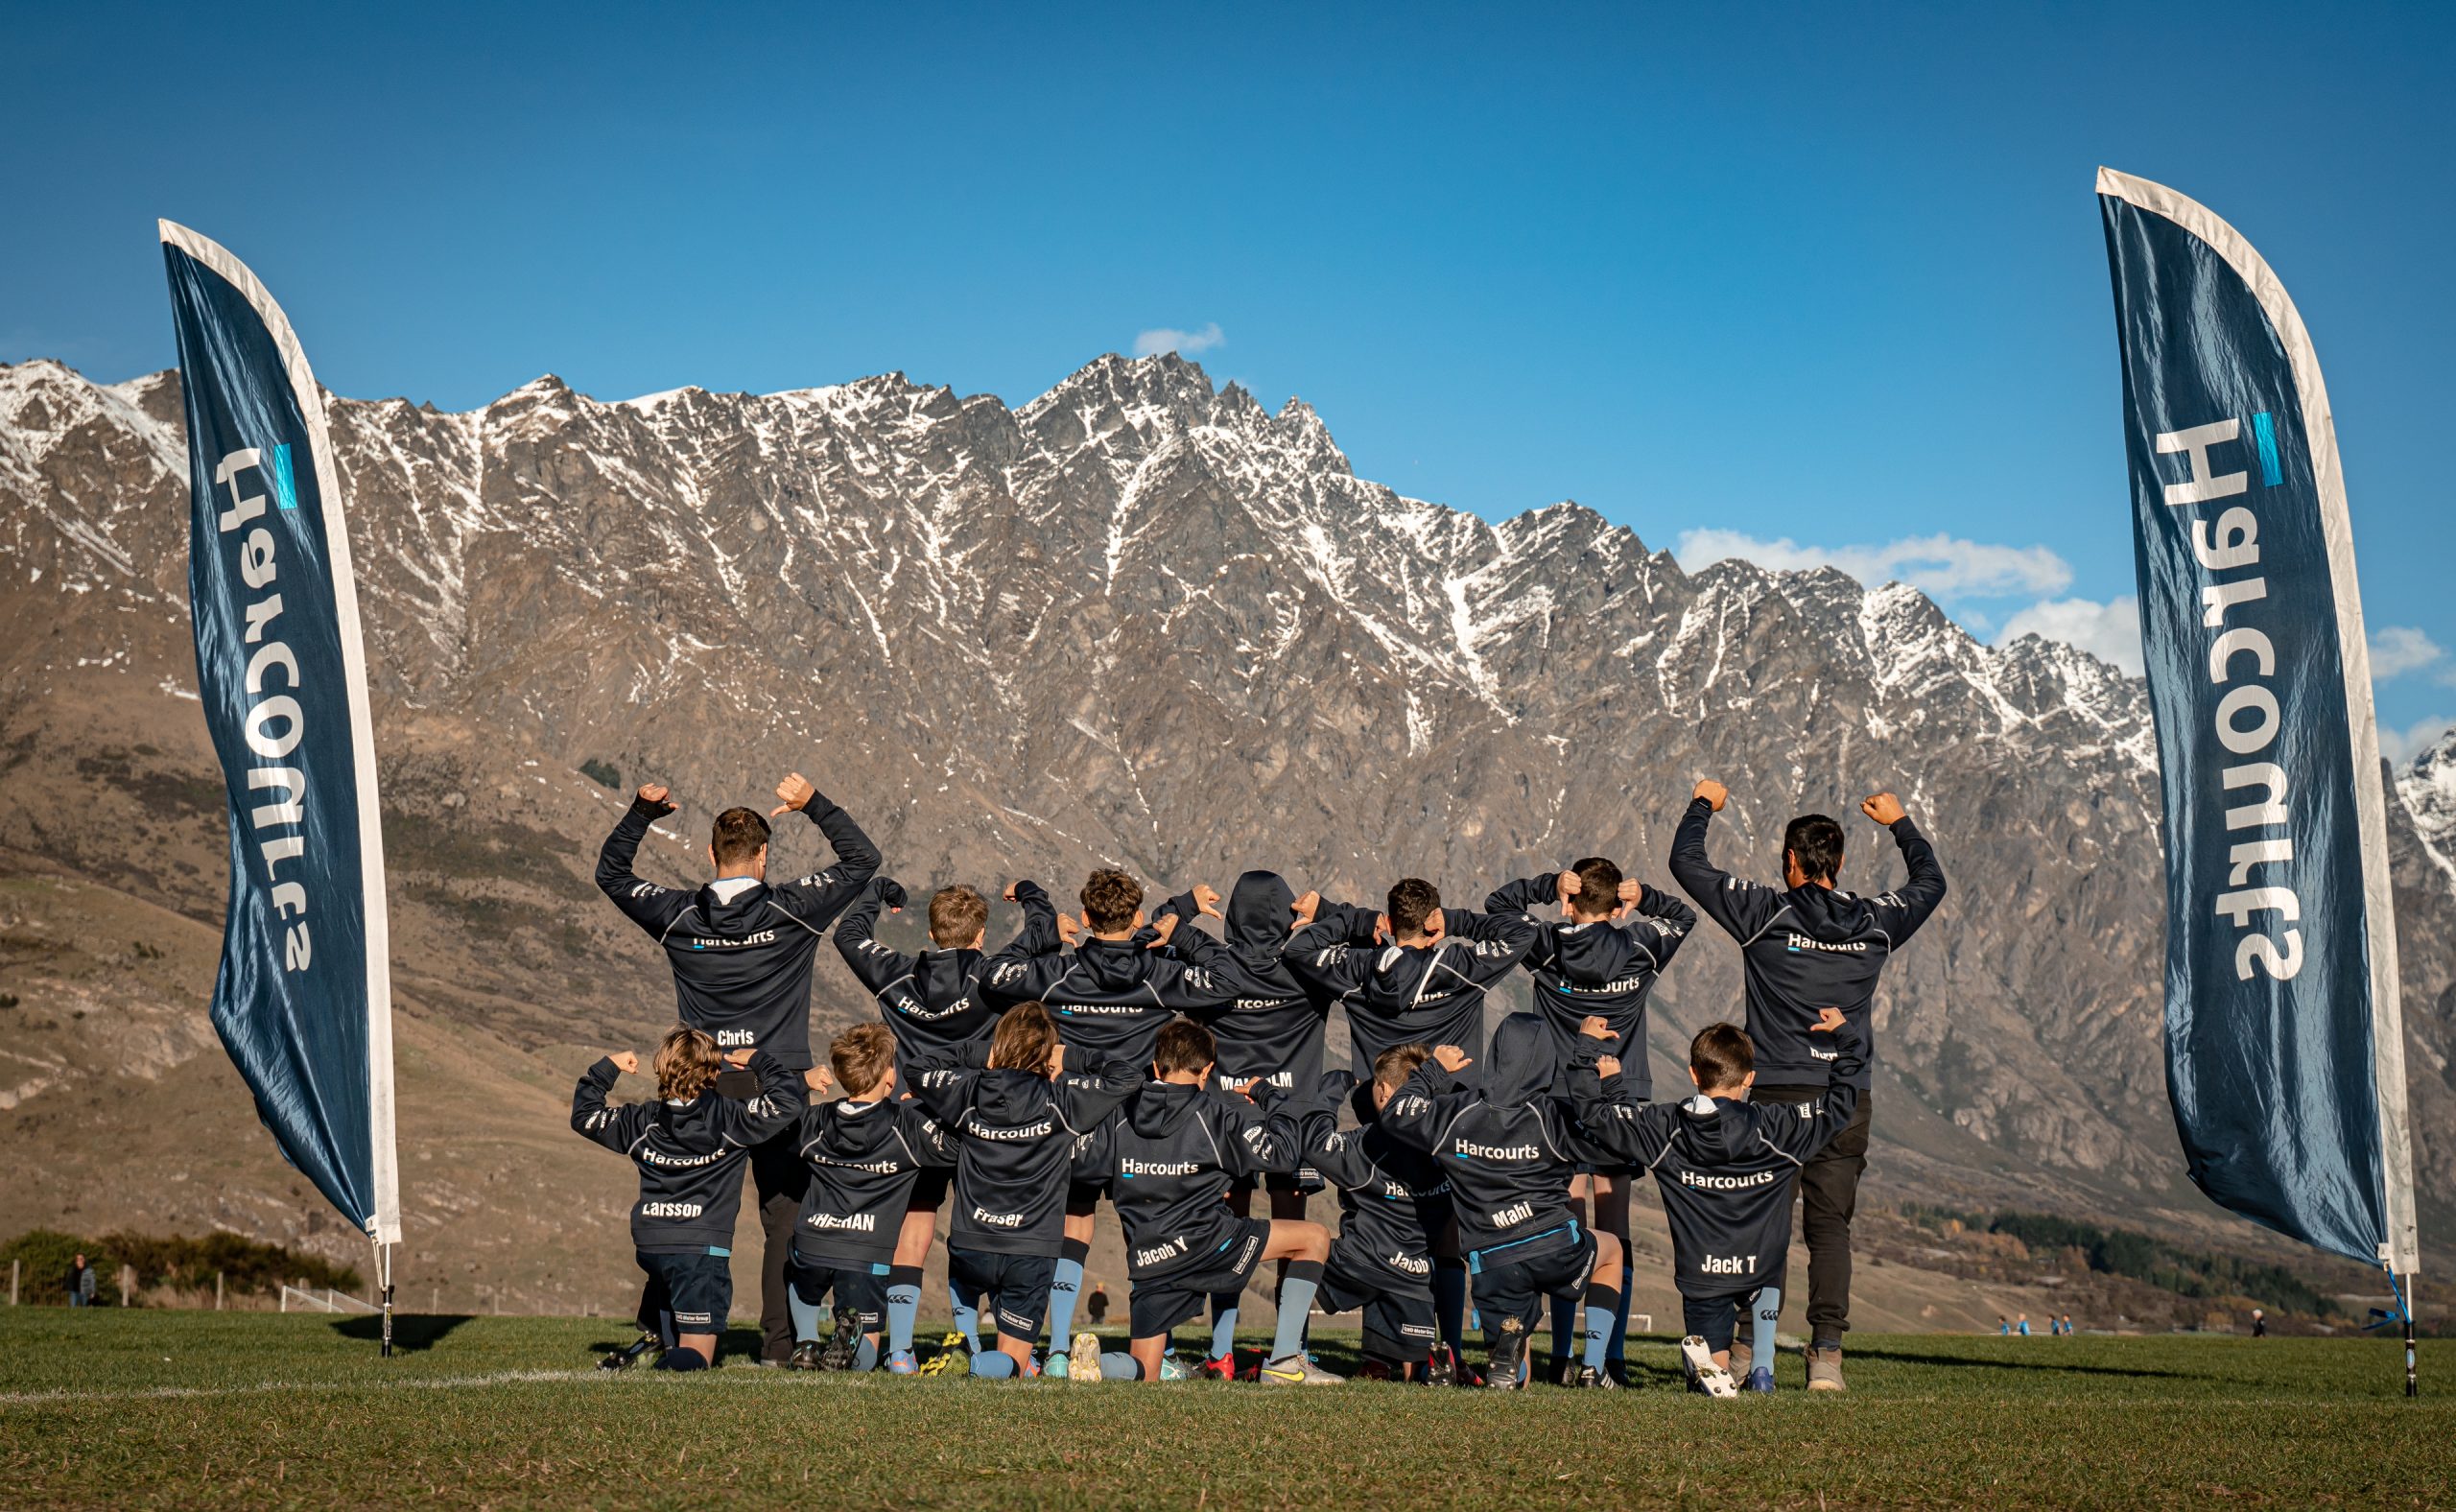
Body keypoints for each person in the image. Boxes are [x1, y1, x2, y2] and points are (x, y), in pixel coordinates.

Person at [1668, 780, 1946, 1392]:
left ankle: (1745, 1351)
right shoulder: (1874, 922)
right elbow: (1931, 884)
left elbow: (1686, 863)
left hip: (1775, 1102)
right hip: (1847, 1097)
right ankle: (1826, 1360)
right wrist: (1900, 822)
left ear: (1790, 862)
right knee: (1831, 1232)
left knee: (1764, 1225)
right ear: (1840, 863)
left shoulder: (1766, 913)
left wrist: (1704, 805)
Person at [595, 772, 882, 1365]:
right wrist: (813, 805)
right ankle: (781, 1346)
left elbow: (612, 876)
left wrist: (641, 814)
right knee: (783, 1218)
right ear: (763, 854)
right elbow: (862, 860)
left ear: (709, 855)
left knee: (690, 1206)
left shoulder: (679, 915)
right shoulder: (793, 909)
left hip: (702, 1087)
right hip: (781, 1086)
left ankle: (668, 1332)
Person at [982, 870, 1241, 1378]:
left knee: (1071, 1227)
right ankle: (1157, 1356)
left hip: (1073, 1123)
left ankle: (1058, 1351)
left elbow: (994, 974)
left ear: (1084, 919)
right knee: (1145, 1236)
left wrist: (1043, 933)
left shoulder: (1060, 973)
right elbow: (1228, 979)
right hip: (1142, 1127)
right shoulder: (1160, 975)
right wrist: (1183, 928)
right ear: (1139, 919)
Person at [1566, 1015, 1866, 1397]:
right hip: (1760, 1270)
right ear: (1749, 1079)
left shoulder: (1667, 1127)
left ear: (1693, 1074)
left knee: (1710, 1375)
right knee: (1769, 1260)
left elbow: (1596, 1116)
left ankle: (1715, 1367)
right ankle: (1761, 1363)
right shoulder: (1778, 1127)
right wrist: (1846, 1040)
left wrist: (1587, 1052)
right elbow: (1840, 1105)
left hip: (1702, 1276)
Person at [1146, 872, 1368, 1375]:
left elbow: (1152, 928)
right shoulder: (1306, 966)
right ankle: (1293, 1348)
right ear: (1285, 914)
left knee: (1228, 1233)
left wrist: (1184, 905)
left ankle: (1220, 1351)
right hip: (1295, 1123)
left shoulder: (1215, 965)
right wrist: (1323, 909)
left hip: (1224, 1121)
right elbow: (1365, 933)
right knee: (1294, 1233)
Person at [1485, 857, 1695, 1382]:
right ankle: (1607, 1358)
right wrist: (1644, 898)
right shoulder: (1639, 948)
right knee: (1615, 1235)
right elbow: (1683, 917)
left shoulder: (1549, 944)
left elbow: (1498, 906)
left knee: (1563, 1230)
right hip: (1617, 1099)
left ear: (1570, 899)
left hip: (1557, 1102)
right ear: (1616, 903)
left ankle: (1559, 1355)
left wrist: (1543, 887)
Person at [833, 876, 1056, 1370]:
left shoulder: (895, 973)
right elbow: (1044, 935)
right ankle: (983, 1347)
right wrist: (1031, 894)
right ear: (979, 936)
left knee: (913, 1230)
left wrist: (881, 893)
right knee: (986, 1229)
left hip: (913, 1121)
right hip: (984, 1117)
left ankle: (900, 1352)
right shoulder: (992, 974)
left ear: (932, 934)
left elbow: (848, 937)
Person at [1074, 1017, 1335, 1384]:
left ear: (1155, 1066)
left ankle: (1099, 1365)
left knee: (1144, 1371)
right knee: (1315, 1238)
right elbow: (1283, 1154)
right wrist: (1269, 1096)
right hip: (1210, 1245)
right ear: (1207, 1070)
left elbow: (1081, 1162)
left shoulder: (1120, 1116)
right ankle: (1286, 1361)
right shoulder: (1214, 1116)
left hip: (1151, 1261)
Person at [1376, 1014, 1623, 1390]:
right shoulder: (1553, 1116)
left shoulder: (1454, 1113)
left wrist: (1433, 1071)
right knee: (1613, 1251)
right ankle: (1593, 1365)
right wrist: (1598, 1069)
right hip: (1552, 1246)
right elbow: (1611, 1129)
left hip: (1491, 1260)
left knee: (1512, 1365)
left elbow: (1394, 1113)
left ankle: (1512, 1362)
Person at [909, 1001, 1138, 1379]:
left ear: (1000, 1044)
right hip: (1029, 1253)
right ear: (1046, 1052)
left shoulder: (969, 1092)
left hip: (971, 1243)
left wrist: (986, 1053)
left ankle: (966, 1345)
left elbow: (917, 1068)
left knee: (1001, 1330)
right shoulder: (1062, 1102)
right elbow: (1127, 1077)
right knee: (1012, 1363)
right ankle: (977, 1364)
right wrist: (1072, 1057)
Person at [571, 1026, 804, 1370]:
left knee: (672, 1316)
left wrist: (608, 1066)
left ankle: (651, 1340)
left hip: (651, 1244)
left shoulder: (641, 1121)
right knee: (695, 1360)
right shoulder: (733, 1117)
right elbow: (787, 1101)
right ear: (713, 1072)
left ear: (662, 1069)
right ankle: (666, 1359)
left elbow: (585, 1116)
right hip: (700, 1251)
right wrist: (757, 1059)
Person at [783, 1023, 955, 1373]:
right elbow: (954, 1146)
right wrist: (932, 1102)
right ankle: (850, 1338)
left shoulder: (815, 1121)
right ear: (890, 1078)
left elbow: (777, 1119)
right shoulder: (906, 1126)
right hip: (866, 1254)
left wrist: (799, 1082)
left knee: (799, 1274)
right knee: (864, 1361)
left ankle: (805, 1341)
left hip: (813, 1242)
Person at [1287, 1045, 1456, 1383]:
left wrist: (1332, 1088)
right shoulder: (1444, 1143)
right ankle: (1419, 1366)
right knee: (1416, 1365)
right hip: (1415, 1276)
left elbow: (1316, 1144)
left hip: (1360, 1262)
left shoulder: (1369, 1143)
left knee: (1296, 1278)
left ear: (1382, 1091)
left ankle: (1290, 1354)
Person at [1287, 879, 1539, 1088]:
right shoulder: (1459, 969)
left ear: (1391, 924)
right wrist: (1457, 922)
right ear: (1433, 925)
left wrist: (1352, 920)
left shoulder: (1359, 969)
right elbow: (1523, 933)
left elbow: (1299, 950)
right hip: (1448, 1121)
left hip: (1379, 1118)